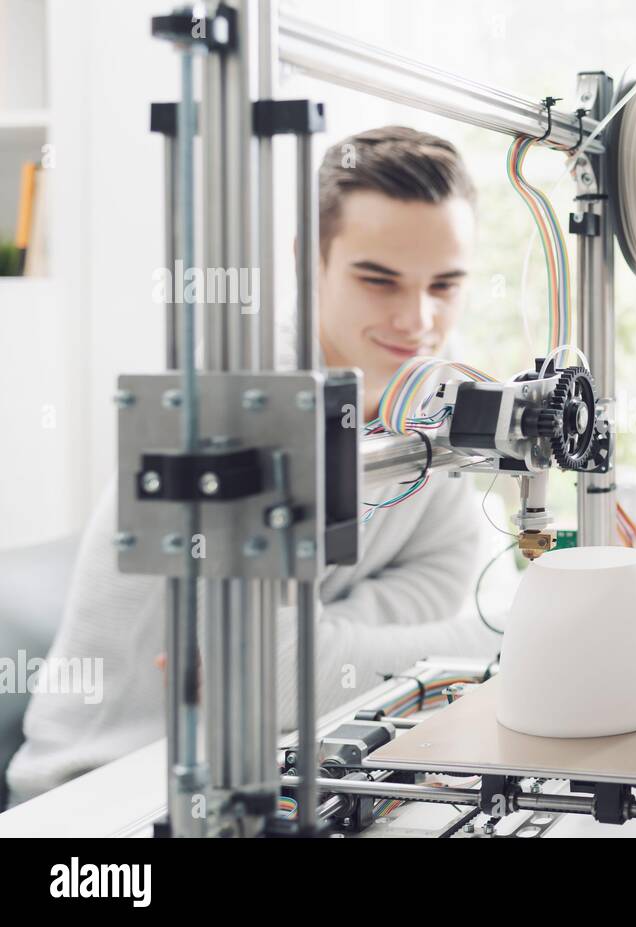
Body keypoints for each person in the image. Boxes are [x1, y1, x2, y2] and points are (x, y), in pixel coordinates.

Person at [6, 126, 497, 806]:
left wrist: (322, 646)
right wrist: (508, 634)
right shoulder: (247, 384)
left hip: (273, 757)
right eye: (377, 279)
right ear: (308, 261)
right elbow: (271, 681)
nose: (417, 319)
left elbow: (438, 585)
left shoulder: (423, 387)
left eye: (445, 284)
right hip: (108, 788)